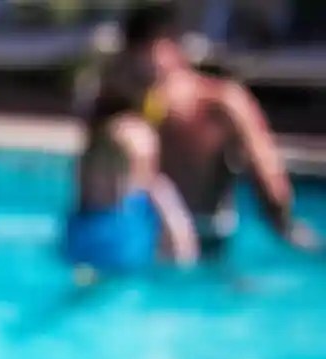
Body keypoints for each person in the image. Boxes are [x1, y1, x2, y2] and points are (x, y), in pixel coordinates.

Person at [98, 1, 318, 259]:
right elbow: (274, 192)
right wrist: (288, 230)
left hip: (145, 245)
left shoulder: (114, 105)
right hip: (200, 244)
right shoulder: (222, 102)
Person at [62, 95, 198, 276]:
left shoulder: (148, 205)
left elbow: (182, 248)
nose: (112, 178)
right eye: (104, 166)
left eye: (125, 168)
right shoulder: (85, 212)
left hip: (132, 279)